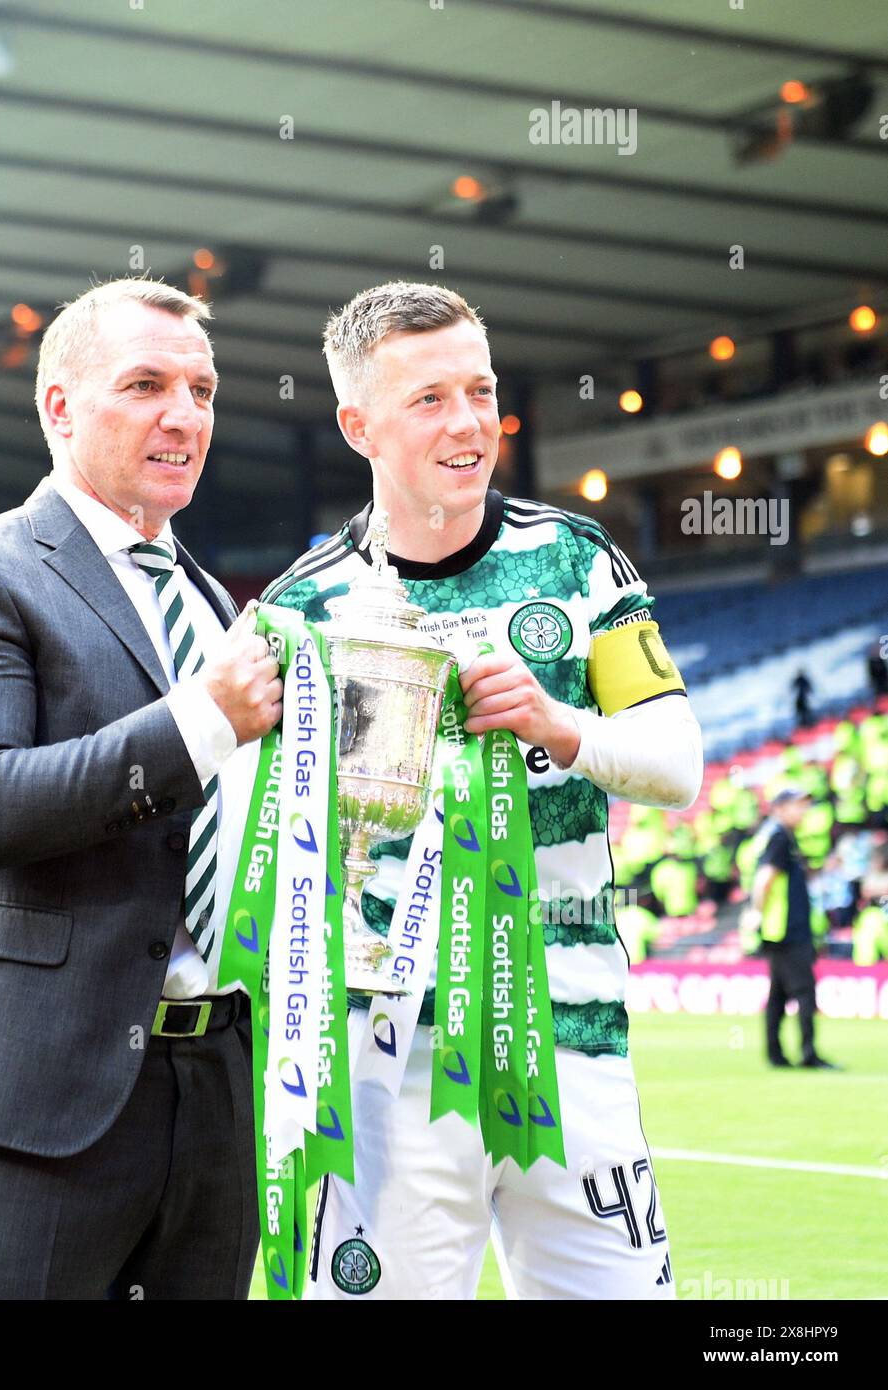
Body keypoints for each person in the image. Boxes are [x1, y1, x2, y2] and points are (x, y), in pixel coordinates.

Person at [0, 278, 283, 1299]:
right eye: (145, 384)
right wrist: (203, 715)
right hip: (34, 1093)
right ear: (59, 406)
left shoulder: (213, 602)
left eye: (202, 389)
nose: (184, 413)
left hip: (214, 1082)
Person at [264, 281, 703, 1300]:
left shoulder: (575, 560)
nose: (466, 423)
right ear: (357, 423)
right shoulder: (303, 609)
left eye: (480, 390)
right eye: (428, 399)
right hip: (388, 1066)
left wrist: (560, 725)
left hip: (571, 1048)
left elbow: (678, 763)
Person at [751, 788, 839, 1069]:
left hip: (780, 930)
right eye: (797, 806)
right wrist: (757, 913)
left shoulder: (783, 838)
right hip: (787, 930)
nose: (803, 811)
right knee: (804, 991)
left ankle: (775, 1055)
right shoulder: (779, 838)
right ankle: (808, 1054)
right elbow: (764, 879)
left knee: (778, 994)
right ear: (779, 808)